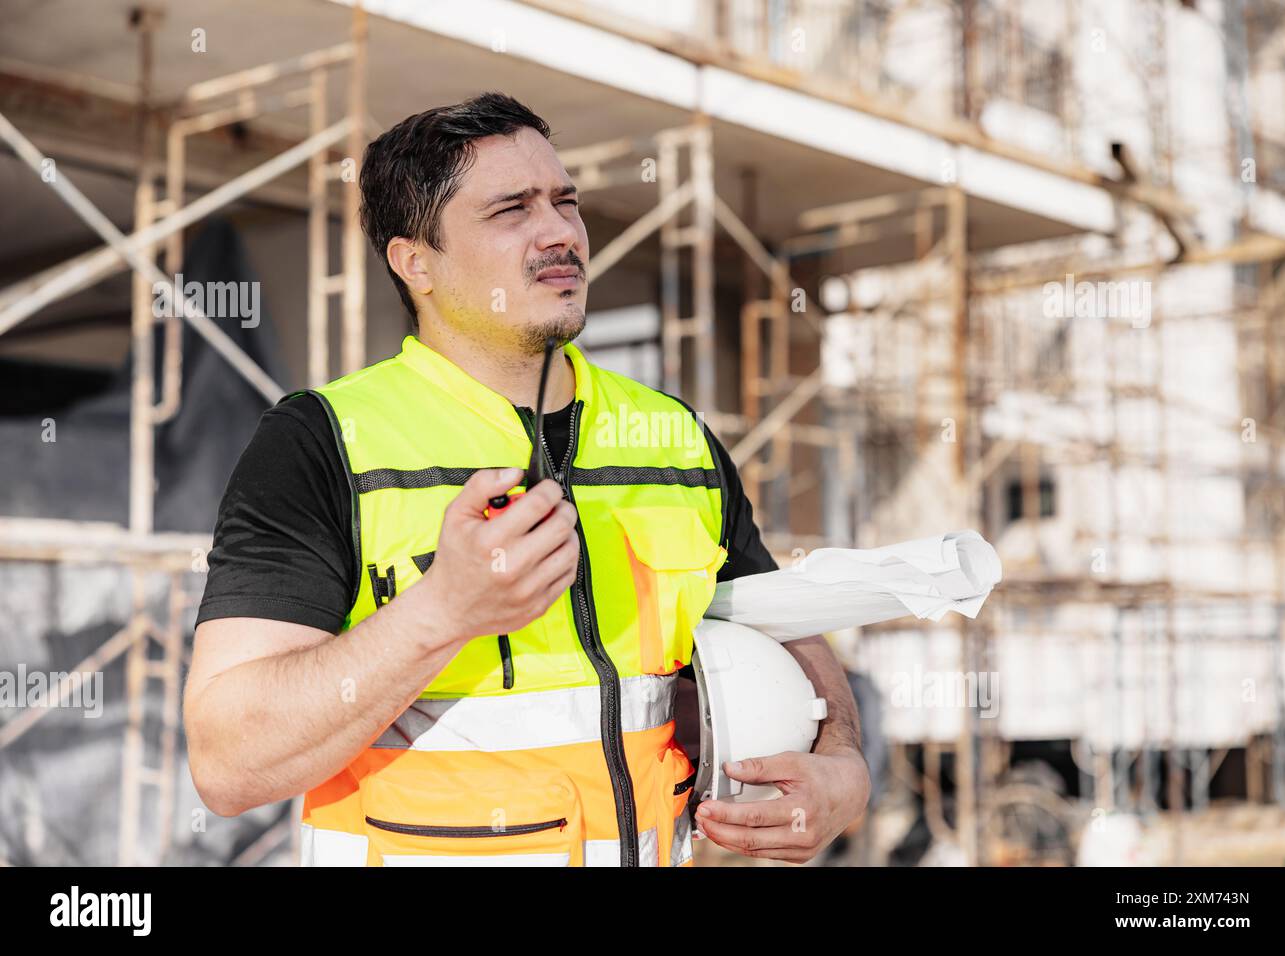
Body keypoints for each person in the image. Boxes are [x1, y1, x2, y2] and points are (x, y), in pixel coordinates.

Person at [183, 91, 869, 867]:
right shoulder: (323, 443)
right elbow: (228, 762)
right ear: (416, 262)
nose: (561, 233)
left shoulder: (672, 437)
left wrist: (843, 762)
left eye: (565, 202)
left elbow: (774, 621)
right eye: (512, 210)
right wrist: (442, 612)